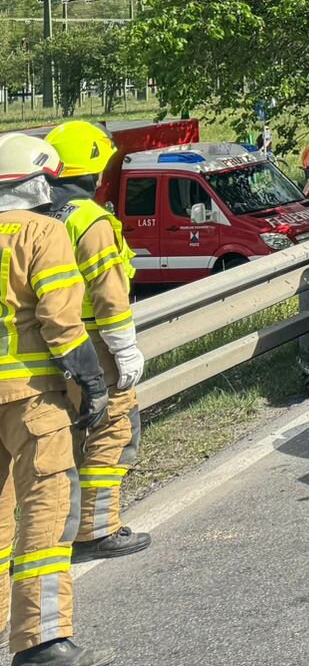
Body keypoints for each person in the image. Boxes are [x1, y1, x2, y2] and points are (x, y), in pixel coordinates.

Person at [0, 132, 111, 666]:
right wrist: (89, 382)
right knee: (46, 513)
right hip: (32, 400)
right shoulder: (43, 232)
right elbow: (62, 323)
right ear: (38, 182)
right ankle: (41, 639)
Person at [41, 124, 146, 563]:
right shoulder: (92, 221)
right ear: (95, 169)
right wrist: (125, 349)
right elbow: (108, 295)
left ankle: (59, 528)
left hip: (50, 346)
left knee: (63, 440)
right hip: (94, 347)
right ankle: (97, 529)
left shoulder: (39, 218)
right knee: (112, 429)